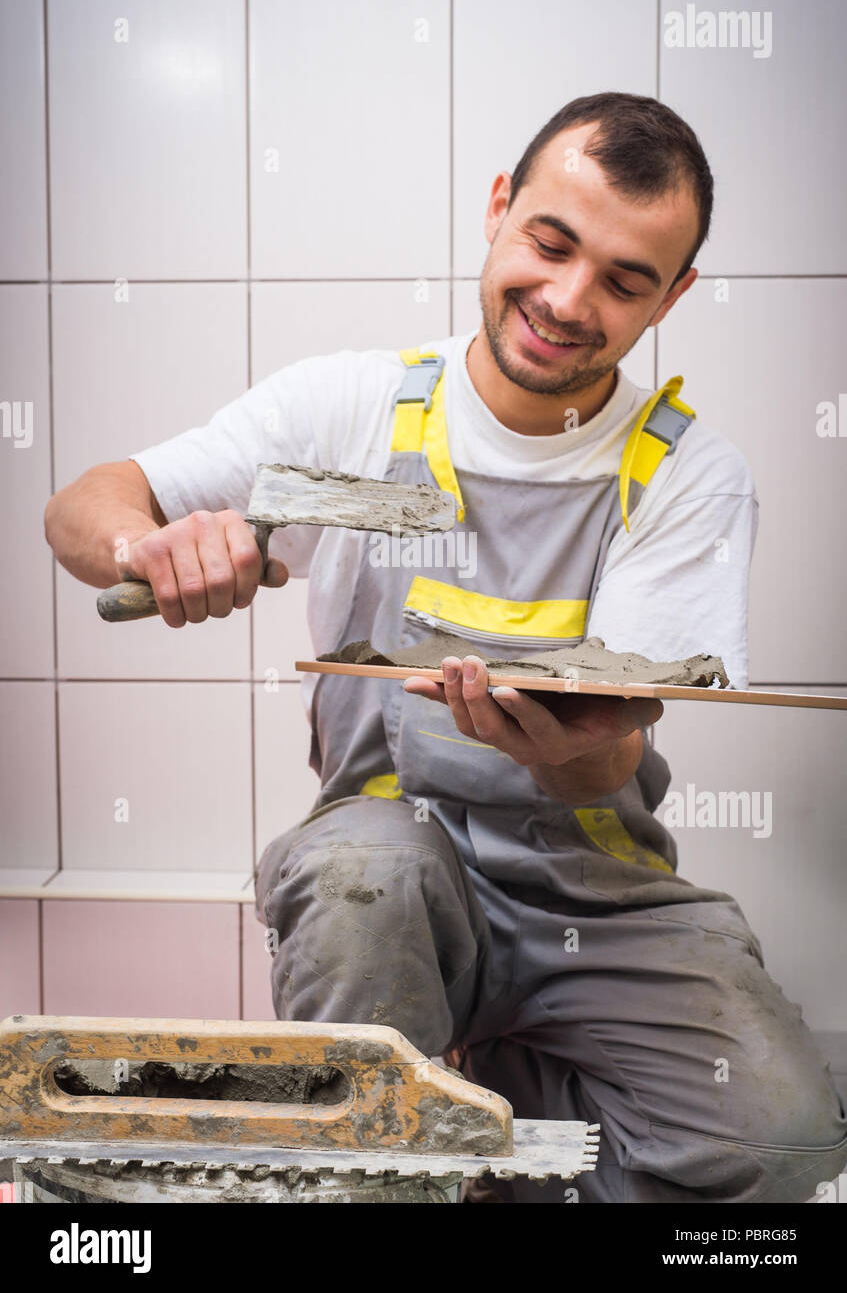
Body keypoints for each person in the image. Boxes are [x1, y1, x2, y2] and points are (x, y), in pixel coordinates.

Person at [44, 92, 847, 1202]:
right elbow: (83, 505)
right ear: (499, 207)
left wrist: (563, 748)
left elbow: (610, 760)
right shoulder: (352, 406)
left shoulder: (686, 474)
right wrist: (151, 543)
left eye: (624, 280)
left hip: (590, 888)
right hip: (384, 873)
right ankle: (386, 1160)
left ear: (675, 293)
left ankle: (484, 1113)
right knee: (372, 870)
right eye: (550, 243)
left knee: (783, 1153)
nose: (567, 302)